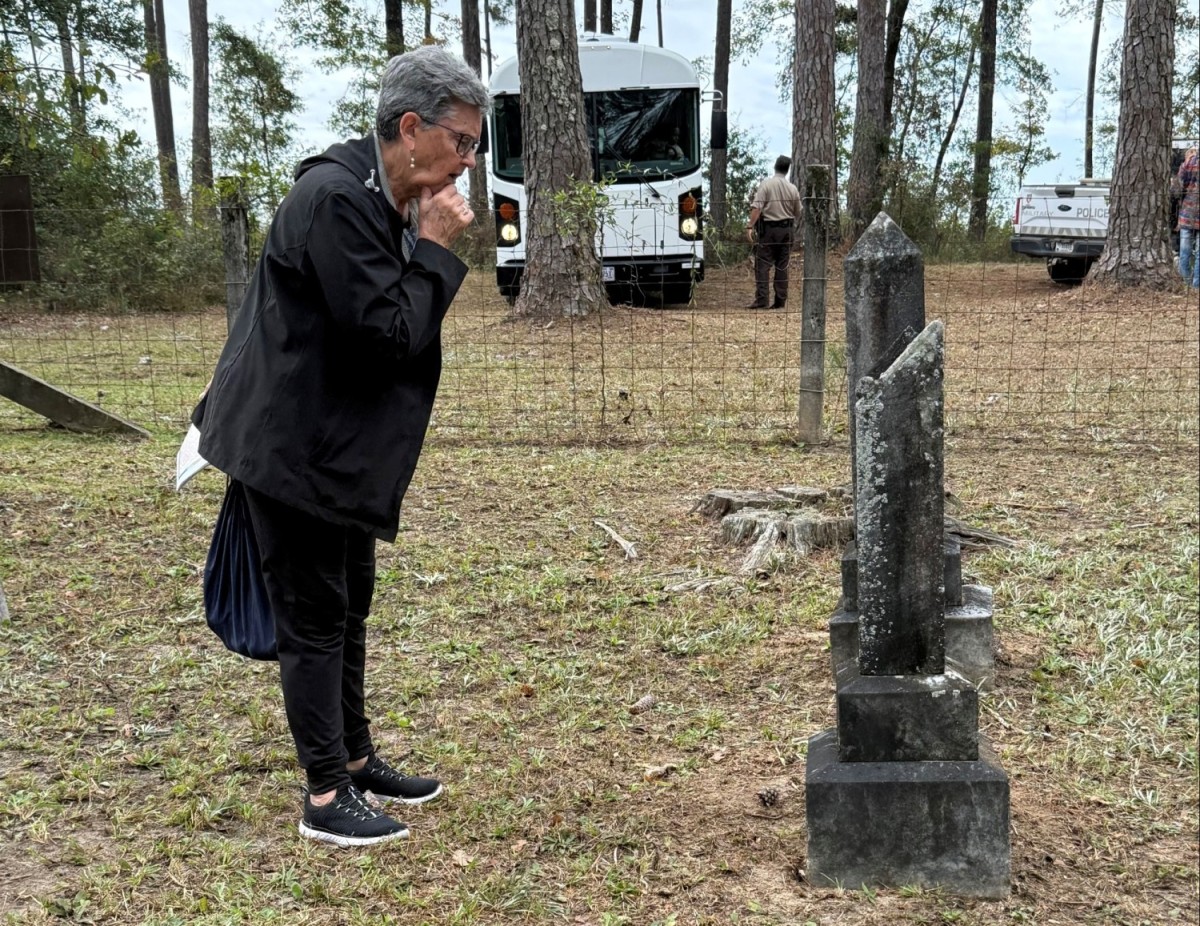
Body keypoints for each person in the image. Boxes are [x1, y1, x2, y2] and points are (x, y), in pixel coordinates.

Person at [192, 46, 488, 848]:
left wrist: (419, 236)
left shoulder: (383, 196)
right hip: (291, 449)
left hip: (335, 448)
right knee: (314, 619)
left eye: (476, 145)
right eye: (463, 140)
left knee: (349, 603)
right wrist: (432, 248)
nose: (470, 158)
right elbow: (389, 336)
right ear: (411, 126)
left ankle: (354, 759)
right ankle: (324, 797)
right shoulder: (334, 201)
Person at [745, 155, 802, 309]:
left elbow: (757, 207)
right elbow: (798, 212)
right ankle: (780, 301)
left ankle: (762, 299)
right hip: (787, 230)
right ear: (787, 169)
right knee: (782, 265)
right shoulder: (792, 188)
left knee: (762, 265)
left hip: (769, 230)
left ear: (775, 166)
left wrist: (750, 226)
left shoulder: (766, 185)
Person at [1176, 146, 1199, 288]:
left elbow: (1177, 188)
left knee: (1184, 252)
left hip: (1187, 214)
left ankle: (1185, 285)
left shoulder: (1188, 164)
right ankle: (1197, 286)